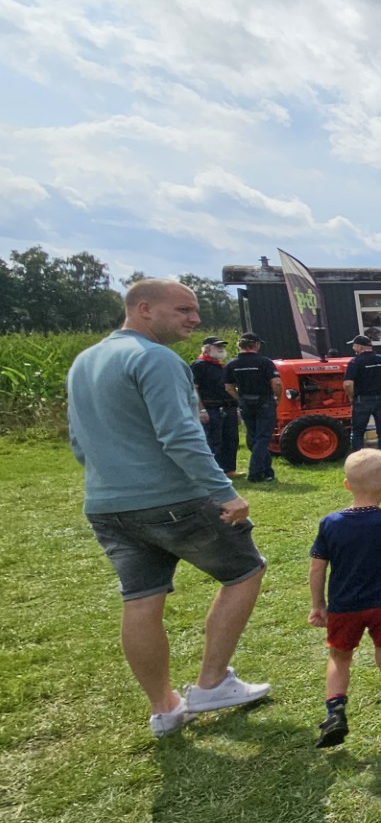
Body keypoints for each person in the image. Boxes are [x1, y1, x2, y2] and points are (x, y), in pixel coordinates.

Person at [67, 278, 272, 737]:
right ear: (144, 309)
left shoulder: (85, 361)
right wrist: (225, 492)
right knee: (245, 570)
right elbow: (180, 435)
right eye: (183, 310)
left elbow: (79, 442)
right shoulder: (156, 358)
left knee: (140, 598)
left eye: (194, 310)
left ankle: (164, 708)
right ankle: (211, 683)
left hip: (106, 505)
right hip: (172, 500)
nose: (195, 319)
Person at [309, 448, 381, 746]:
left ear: (347, 485)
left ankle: (335, 712)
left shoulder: (330, 523)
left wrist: (318, 604)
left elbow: (317, 567)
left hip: (344, 606)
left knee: (339, 657)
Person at [223, 333, 282, 483]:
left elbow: (229, 387)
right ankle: (255, 472)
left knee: (255, 437)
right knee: (263, 438)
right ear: (255, 344)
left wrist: (240, 399)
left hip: (246, 403)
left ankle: (267, 471)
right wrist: (278, 398)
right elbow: (277, 383)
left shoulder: (232, 364)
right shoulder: (264, 362)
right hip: (264, 402)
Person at [191, 336, 239, 476]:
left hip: (228, 407)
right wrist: (201, 409)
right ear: (206, 349)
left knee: (231, 439)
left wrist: (236, 408)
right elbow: (193, 389)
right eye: (217, 346)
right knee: (213, 440)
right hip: (210, 408)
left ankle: (229, 470)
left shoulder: (221, 366)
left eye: (222, 346)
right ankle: (213, 472)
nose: (221, 349)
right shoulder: (199, 365)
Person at [344, 334, 381, 453]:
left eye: (354, 345)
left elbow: (347, 384)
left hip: (363, 399)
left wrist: (351, 397)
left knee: (358, 432)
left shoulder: (355, 362)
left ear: (359, 347)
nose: (353, 348)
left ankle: (358, 457)